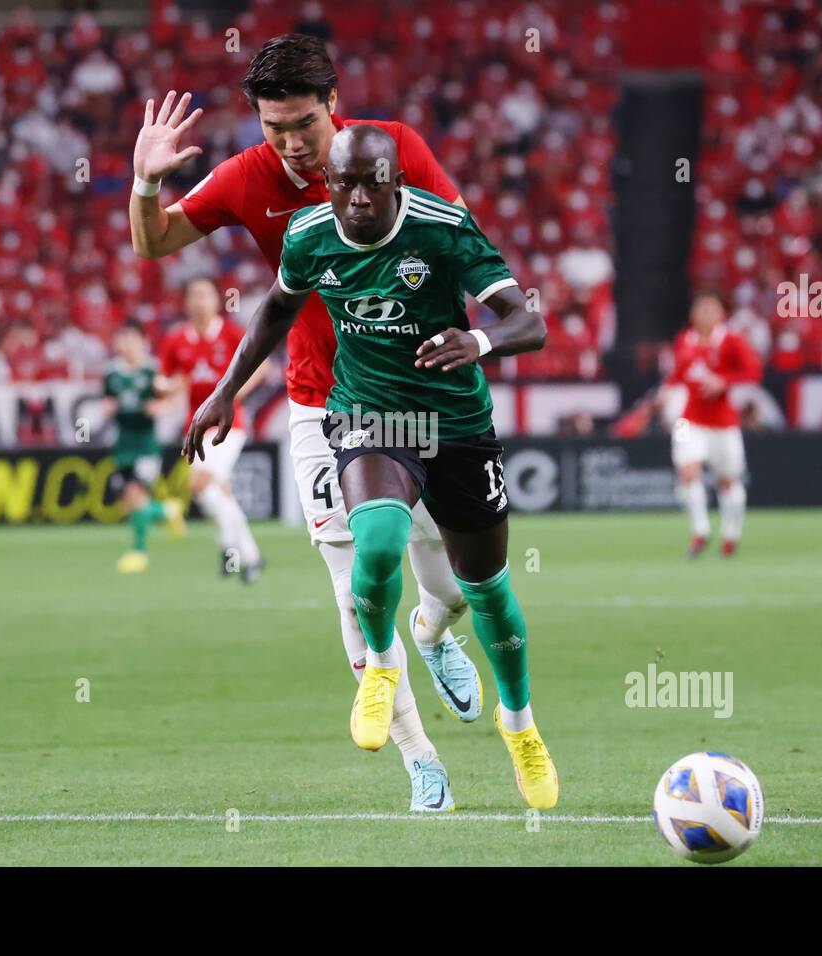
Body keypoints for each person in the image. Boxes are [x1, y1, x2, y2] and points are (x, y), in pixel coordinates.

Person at [129, 35, 480, 810]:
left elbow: (462, 243)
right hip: (321, 402)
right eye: (272, 126)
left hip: (412, 395)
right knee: (355, 582)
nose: (289, 144)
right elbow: (152, 243)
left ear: (334, 105)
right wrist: (145, 184)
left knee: (452, 583)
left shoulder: (396, 153)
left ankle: (431, 632)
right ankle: (419, 760)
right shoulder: (248, 179)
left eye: (303, 125)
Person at [184, 125, 559, 810]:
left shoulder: (442, 229)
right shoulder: (308, 235)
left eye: (371, 183)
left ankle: (520, 727)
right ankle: (384, 670)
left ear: (396, 180)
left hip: (456, 425)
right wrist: (223, 391)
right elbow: (276, 310)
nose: (356, 198)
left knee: (483, 594)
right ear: (328, 185)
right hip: (368, 416)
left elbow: (526, 321)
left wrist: (476, 339)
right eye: (343, 184)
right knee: (375, 542)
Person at [159, 276, 264, 582]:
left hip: (229, 424)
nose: (199, 301)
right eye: (193, 295)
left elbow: (262, 365)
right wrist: (169, 387)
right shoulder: (176, 339)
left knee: (200, 483)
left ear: (217, 301)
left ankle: (232, 548)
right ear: (186, 302)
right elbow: (163, 379)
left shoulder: (231, 334)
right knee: (218, 494)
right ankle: (248, 555)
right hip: (194, 426)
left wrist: (235, 392)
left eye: (205, 294)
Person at [659, 291, 761, 557]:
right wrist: (667, 390)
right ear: (692, 314)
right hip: (690, 419)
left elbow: (753, 370)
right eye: (700, 309)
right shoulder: (685, 340)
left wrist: (723, 381)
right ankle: (700, 530)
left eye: (710, 309)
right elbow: (678, 374)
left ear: (720, 314)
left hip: (723, 422)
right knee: (687, 471)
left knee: (728, 482)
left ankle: (731, 533)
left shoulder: (732, 341)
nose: (704, 314)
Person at [103, 320, 184, 574]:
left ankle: (138, 553)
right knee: (128, 502)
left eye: (130, 339)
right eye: (121, 339)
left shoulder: (153, 372)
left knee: (136, 495)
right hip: (123, 443)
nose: (125, 345)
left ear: (141, 342)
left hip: (146, 444)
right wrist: (106, 408)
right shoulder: (112, 374)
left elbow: (176, 395)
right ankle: (168, 509)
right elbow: (109, 400)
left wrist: (163, 407)